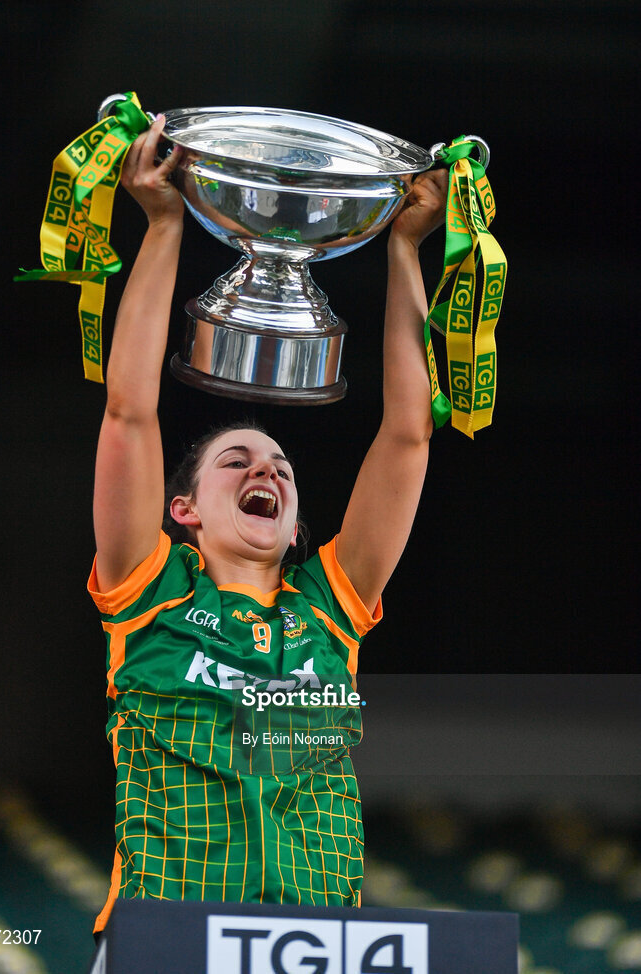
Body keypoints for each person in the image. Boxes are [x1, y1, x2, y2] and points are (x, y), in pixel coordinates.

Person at [88, 115, 448, 935]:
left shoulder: (329, 607)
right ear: (183, 512)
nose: (266, 471)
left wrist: (402, 250)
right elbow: (128, 413)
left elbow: (405, 434)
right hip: (165, 932)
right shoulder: (148, 596)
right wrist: (165, 224)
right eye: (236, 462)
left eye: (280, 468)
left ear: (294, 528)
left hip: (316, 941)